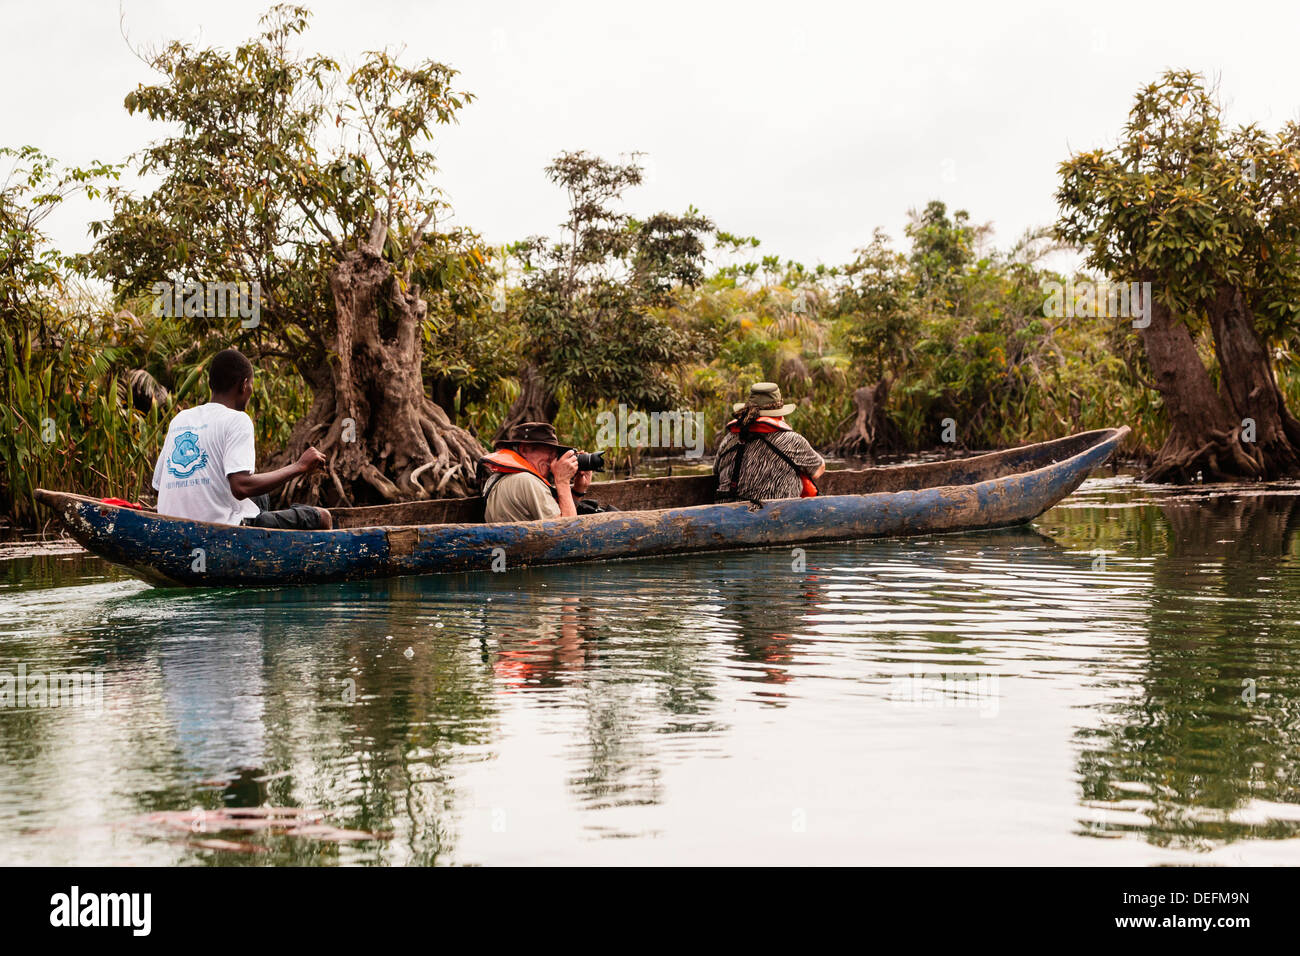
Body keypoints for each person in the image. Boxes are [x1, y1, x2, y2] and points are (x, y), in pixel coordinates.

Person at [151, 348, 332, 529]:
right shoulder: (237, 420)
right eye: (251, 385)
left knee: (260, 497)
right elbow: (241, 487)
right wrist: (299, 466)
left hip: (171, 526)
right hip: (221, 532)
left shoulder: (180, 420)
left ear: (210, 383)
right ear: (244, 385)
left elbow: (158, 485)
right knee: (322, 517)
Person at [714, 382, 826, 502]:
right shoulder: (793, 440)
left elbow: (716, 471)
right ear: (779, 414)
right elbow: (818, 470)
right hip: (776, 514)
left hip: (727, 513)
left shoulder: (729, 438)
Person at [480, 422, 594, 522]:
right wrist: (562, 481)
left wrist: (578, 491)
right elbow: (568, 532)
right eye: (549, 451)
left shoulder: (499, 478)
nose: (553, 459)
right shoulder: (527, 481)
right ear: (524, 449)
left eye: (555, 454)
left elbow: (560, 515)